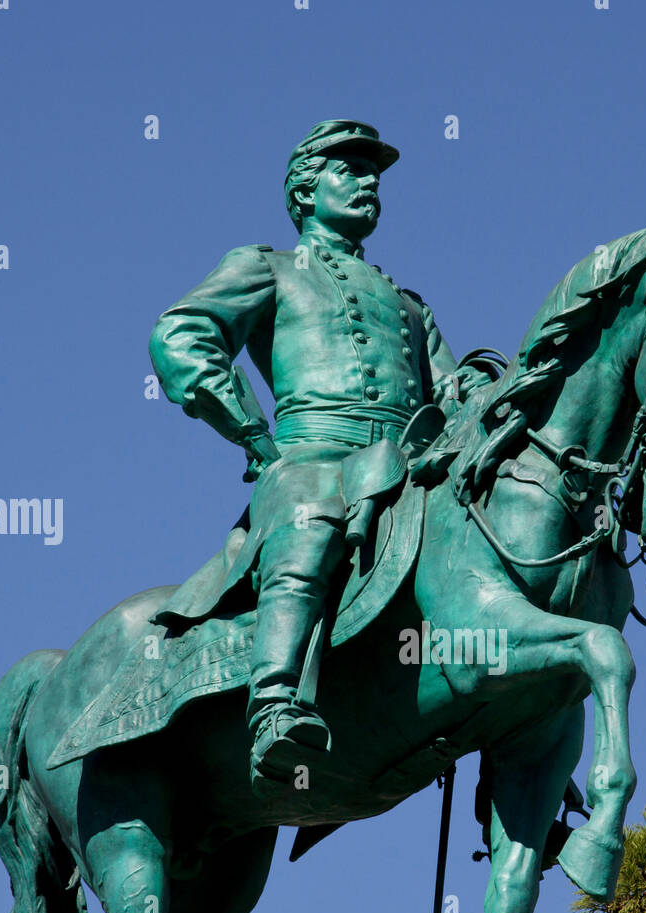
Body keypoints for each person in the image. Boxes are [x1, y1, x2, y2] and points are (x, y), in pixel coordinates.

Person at [149, 120, 488, 787]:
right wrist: (254, 436)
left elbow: (451, 394)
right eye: (350, 170)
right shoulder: (266, 267)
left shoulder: (410, 307)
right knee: (309, 524)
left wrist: (488, 391)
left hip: (406, 464)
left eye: (375, 174)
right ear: (305, 190)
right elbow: (181, 334)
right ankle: (274, 705)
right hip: (313, 457)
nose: (368, 183)